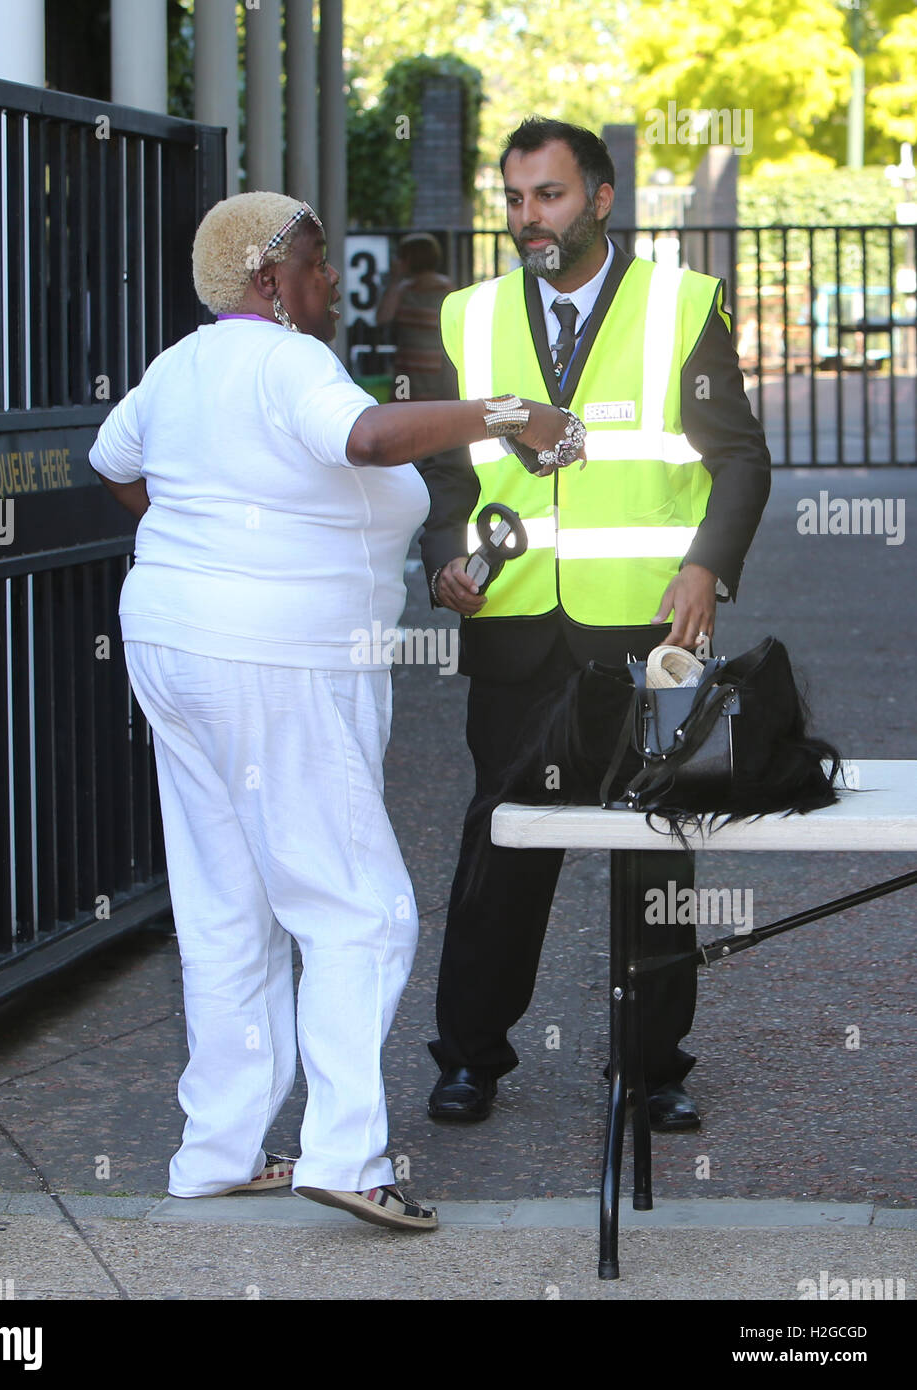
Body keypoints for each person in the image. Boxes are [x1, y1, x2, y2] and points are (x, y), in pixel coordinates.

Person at [88, 191, 575, 1231]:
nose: (328, 281)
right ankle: (348, 1153)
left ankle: (216, 1151)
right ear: (268, 279)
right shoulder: (286, 361)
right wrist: (510, 411)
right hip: (280, 661)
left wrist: (203, 541)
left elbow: (115, 463)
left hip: (174, 643)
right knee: (361, 907)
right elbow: (363, 439)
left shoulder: (179, 368)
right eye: (312, 262)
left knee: (228, 904)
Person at [418, 119, 771, 1130]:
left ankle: (653, 1067)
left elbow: (740, 460)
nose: (531, 218)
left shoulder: (679, 305)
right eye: (518, 198)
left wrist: (707, 565)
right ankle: (470, 1059)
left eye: (552, 196)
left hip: (650, 637)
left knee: (658, 847)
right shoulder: (468, 316)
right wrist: (444, 551)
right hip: (517, 627)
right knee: (501, 842)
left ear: (602, 199)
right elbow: (441, 467)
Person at [376, 233, 456, 401]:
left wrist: (395, 280)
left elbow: (382, 317)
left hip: (410, 370)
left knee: (401, 413)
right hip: (432, 368)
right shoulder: (447, 288)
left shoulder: (402, 290)